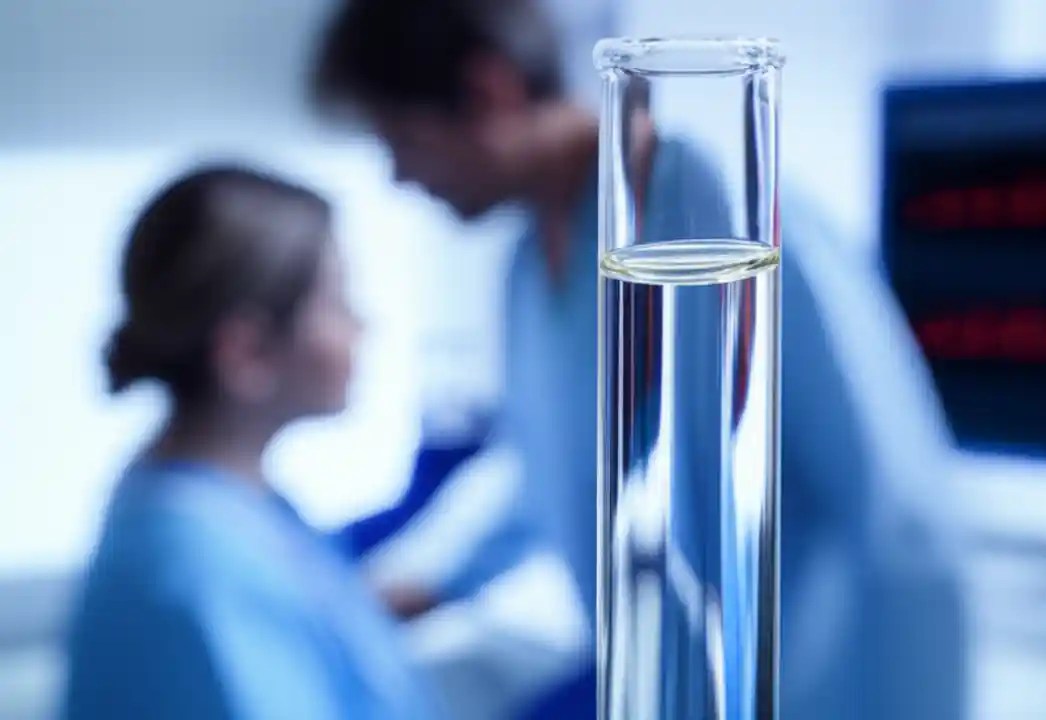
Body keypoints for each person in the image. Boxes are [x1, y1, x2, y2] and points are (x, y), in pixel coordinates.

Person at [312, 1, 968, 717]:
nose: (400, 175)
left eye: (404, 139)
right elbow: (549, 473)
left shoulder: (723, 211)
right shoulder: (529, 270)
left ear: (488, 91)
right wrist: (428, 585)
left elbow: (898, 517)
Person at [62, 166, 445, 719]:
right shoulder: (197, 568)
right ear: (247, 353)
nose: (364, 324)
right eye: (337, 301)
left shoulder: (221, 504)